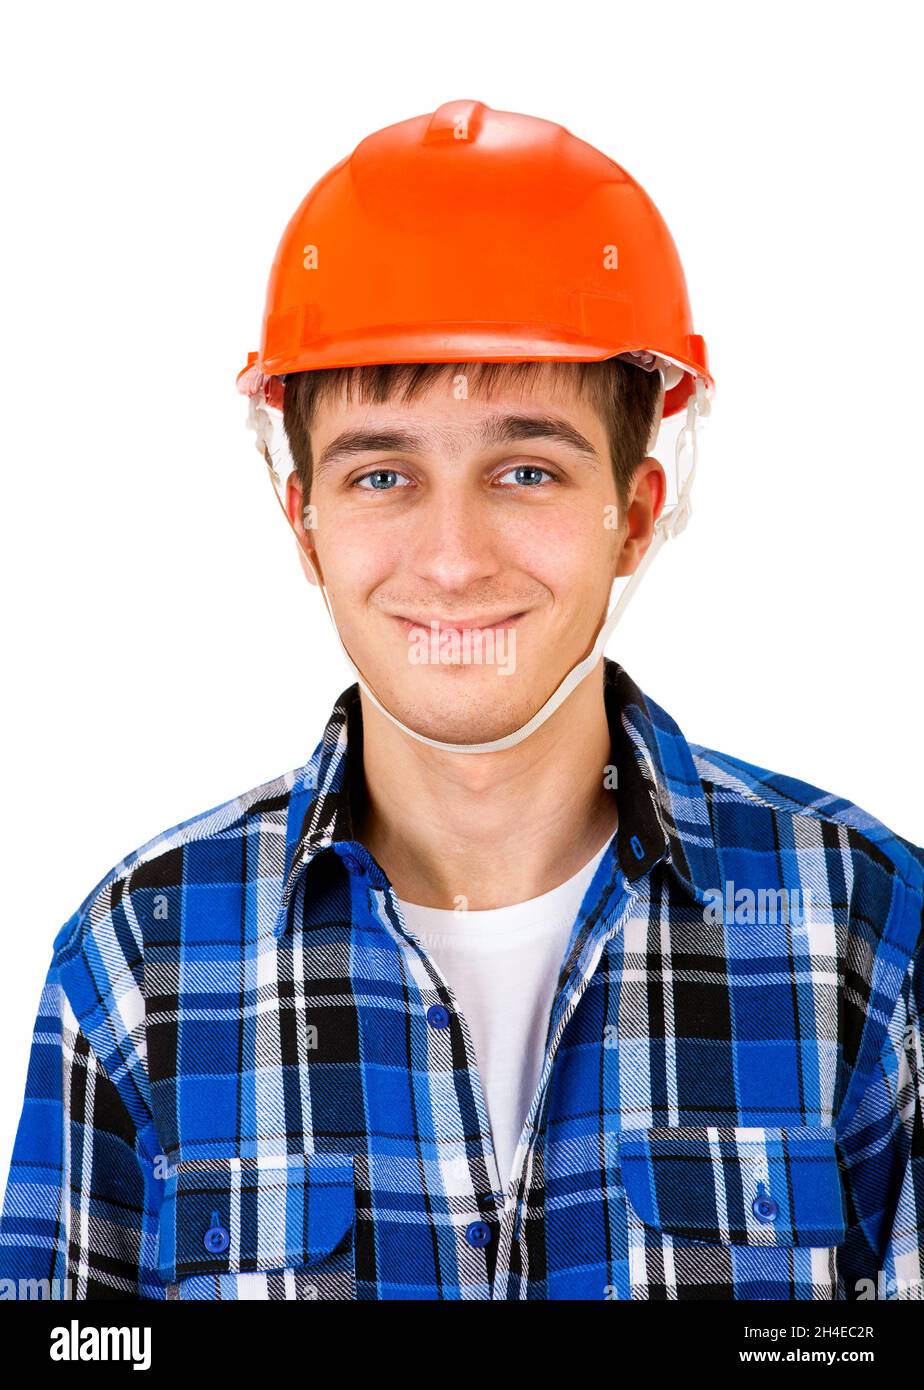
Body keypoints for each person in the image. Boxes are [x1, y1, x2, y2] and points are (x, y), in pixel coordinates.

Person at [0, 99, 921, 1302]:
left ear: (634, 512)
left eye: (526, 469)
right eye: (383, 473)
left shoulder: (864, 934)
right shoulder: (139, 965)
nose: (451, 557)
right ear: (306, 524)